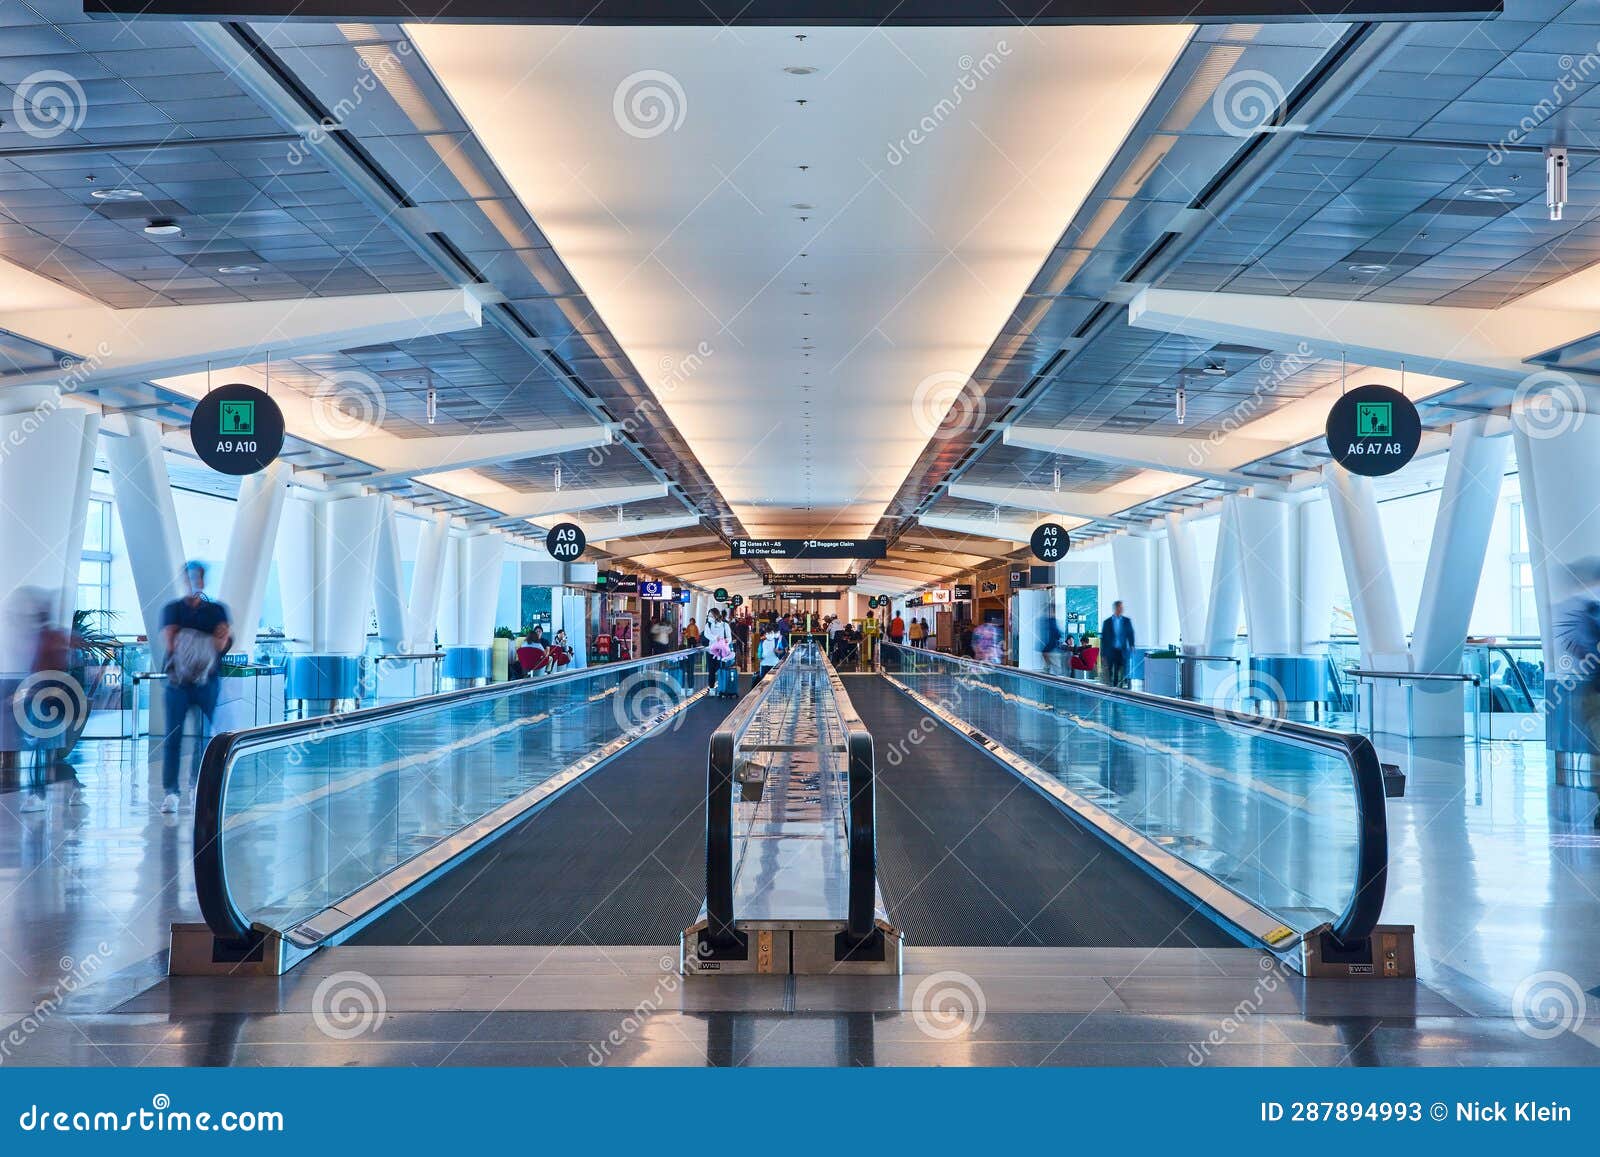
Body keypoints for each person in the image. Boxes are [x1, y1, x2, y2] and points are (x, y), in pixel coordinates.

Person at [157, 562, 232, 814]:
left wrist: (187, 635)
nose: (193, 582)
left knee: (204, 736)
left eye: (196, 577)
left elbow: (222, 642)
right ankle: (171, 792)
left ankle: (196, 783)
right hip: (178, 683)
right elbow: (170, 642)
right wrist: (205, 639)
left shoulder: (217, 610)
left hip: (207, 682)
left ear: (202, 580)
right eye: (189, 578)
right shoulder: (172, 609)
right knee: (173, 737)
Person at [1100, 600, 1135, 688]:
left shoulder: (1126, 621)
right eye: (1120, 607)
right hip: (1110, 650)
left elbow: (1130, 633)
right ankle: (1111, 687)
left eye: (1122, 608)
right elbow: (1103, 639)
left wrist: (1132, 645)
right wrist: (1103, 654)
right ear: (1115, 608)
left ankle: (1119, 687)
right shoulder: (1107, 622)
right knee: (1110, 670)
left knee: (1121, 669)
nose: (1122, 609)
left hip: (1121, 650)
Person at [702, 609, 732, 688]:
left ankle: (722, 687)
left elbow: (729, 637)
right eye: (709, 615)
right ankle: (711, 687)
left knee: (721, 669)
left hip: (722, 652)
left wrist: (725, 641)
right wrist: (716, 638)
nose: (709, 617)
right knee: (711, 671)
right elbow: (707, 634)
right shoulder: (708, 625)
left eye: (711, 615)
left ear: (716, 615)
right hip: (711, 651)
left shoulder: (725, 625)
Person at [1039, 609, 1064, 674]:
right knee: (1047, 656)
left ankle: (1053, 670)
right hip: (1051, 644)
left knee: (1054, 662)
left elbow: (1056, 633)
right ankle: (1050, 669)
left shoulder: (1052, 621)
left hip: (1052, 645)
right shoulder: (1049, 621)